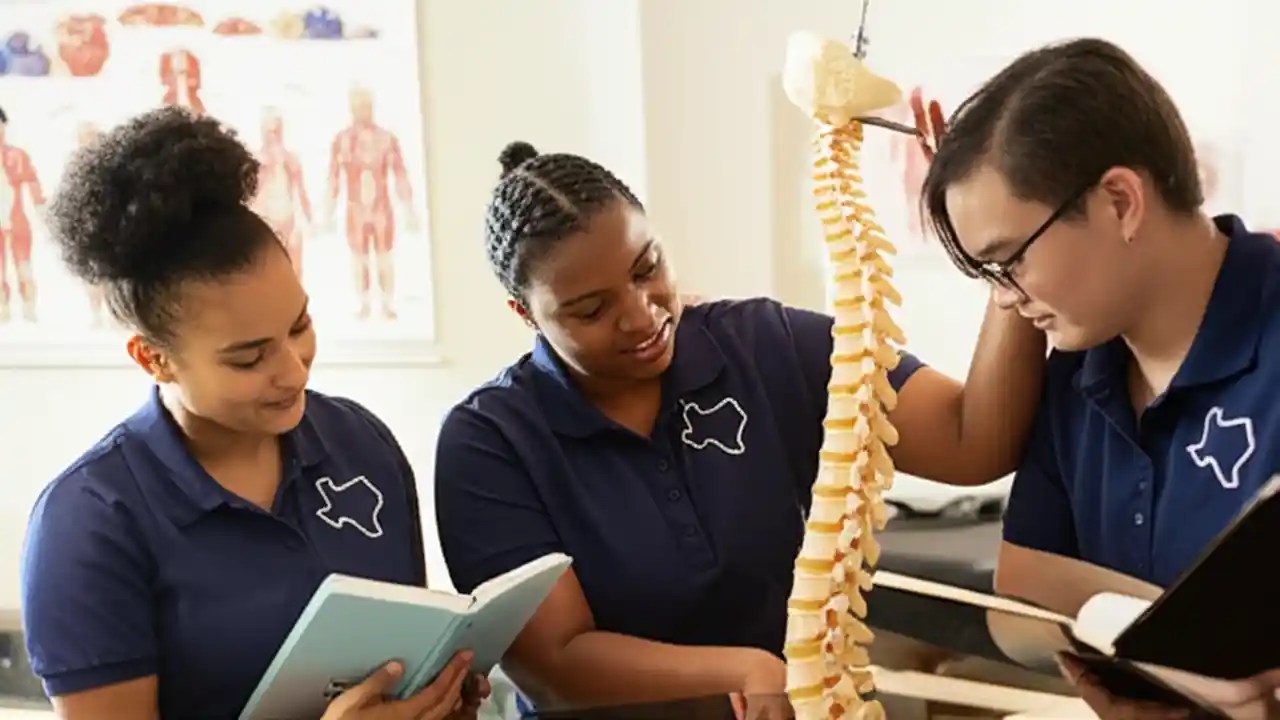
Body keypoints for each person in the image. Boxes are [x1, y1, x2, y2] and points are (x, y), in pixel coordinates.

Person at [433, 136, 1048, 712]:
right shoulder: (489, 443)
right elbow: (555, 665)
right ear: (526, 314)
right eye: (592, 310)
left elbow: (974, 440)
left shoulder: (766, 345)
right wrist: (745, 671)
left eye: (647, 269)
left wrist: (1007, 249)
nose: (642, 315)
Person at [18, 107, 486, 720]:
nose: (294, 371)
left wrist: (438, 696)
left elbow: (401, 654)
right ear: (153, 358)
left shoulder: (360, 443)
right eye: (248, 358)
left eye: (300, 326)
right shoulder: (90, 522)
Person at [920, 37, 1280, 717]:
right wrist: (1169, 658)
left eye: (1010, 260)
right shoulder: (1078, 367)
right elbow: (1018, 598)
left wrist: (1104, 618)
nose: (1004, 299)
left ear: (1120, 201)